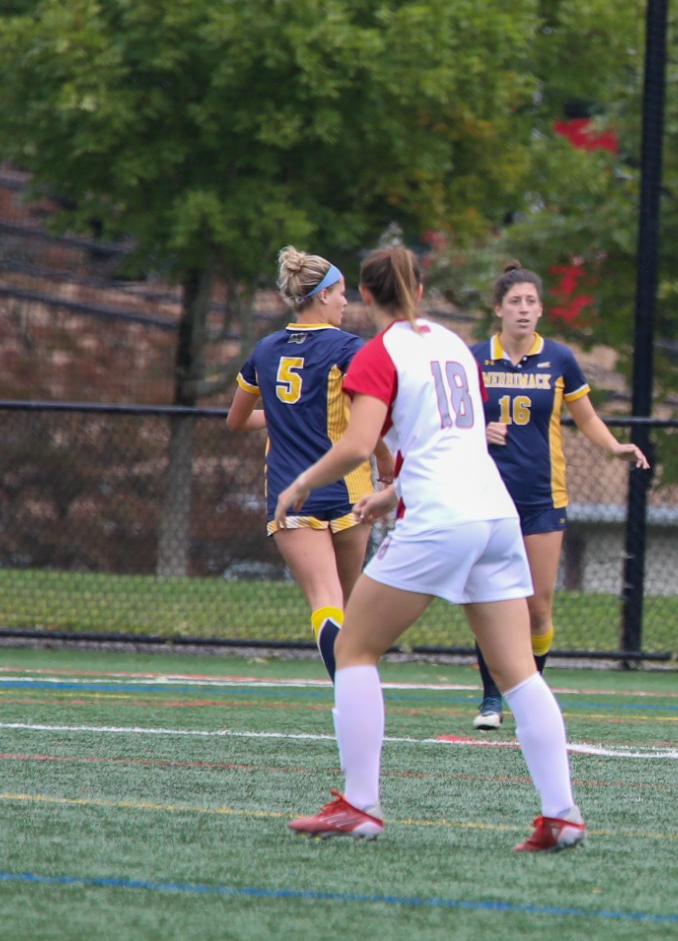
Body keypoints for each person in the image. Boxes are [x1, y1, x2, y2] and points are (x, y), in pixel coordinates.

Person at [280, 246, 584, 851]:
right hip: (494, 515)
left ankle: (359, 804)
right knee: (519, 671)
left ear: (367, 296)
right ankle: (562, 814)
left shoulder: (378, 353)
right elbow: (451, 442)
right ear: (420, 286)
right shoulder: (453, 344)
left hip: (444, 519)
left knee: (355, 649)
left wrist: (301, 483)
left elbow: (359, 444)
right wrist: (392, 496)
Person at [465, 261, 647, 730]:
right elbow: (449, 419)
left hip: (543, 496)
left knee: (537, 606)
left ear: (541, 309)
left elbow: (585, 418)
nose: (523, 310)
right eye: (514, 302)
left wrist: (614, 448)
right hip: (486, 495)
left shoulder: (559, 359)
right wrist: (477, 430)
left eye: (530, 302)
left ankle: (530, 696)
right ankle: (490, 700)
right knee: (491, 599)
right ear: (498, 309)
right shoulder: (473, 358)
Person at [226, 246, 386, 680]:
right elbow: (375, 423)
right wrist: (388, 468)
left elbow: (236, 420)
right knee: (351, 602)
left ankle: (348, 692)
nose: (345, 302)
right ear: (321, 296)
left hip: (289, 494)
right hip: (350, 488)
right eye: (340, 294)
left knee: (325, 601)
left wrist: (277, 417)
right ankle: (362, 688)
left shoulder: (265, 349)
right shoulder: (350, 347)